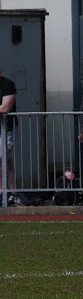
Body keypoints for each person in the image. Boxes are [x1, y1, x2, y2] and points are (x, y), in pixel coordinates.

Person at [0, 68, 17, 206]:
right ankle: (11, 191)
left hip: (7, 129)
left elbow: (5, 108)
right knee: (7, 161)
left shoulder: (7, 84)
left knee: (3, 159)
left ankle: (5, 192)